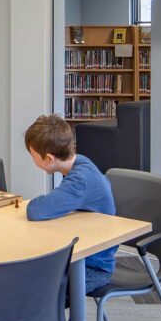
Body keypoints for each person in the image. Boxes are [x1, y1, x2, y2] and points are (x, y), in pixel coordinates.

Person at [24, 112, 116, 297]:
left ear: (49, 158)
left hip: (91, 267)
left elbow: (36, 210)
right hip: (83, 254)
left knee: (32, 290)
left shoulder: (79, 180)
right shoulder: (81, 161)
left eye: (33, 156)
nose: (33, 161)